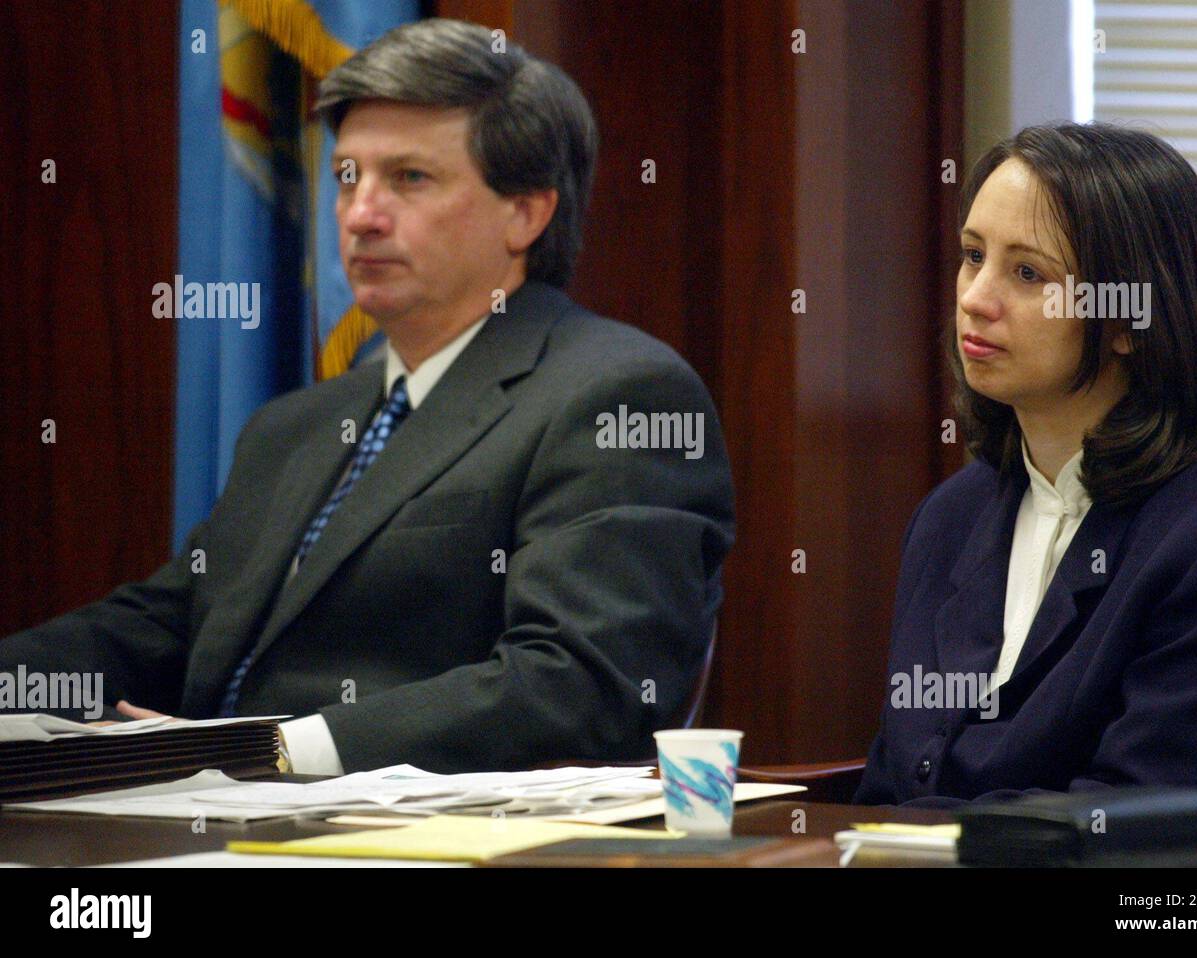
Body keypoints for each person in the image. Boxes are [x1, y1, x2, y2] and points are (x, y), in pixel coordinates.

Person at [0, 18, 735, 774]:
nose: (359, 215)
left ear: (526, 212)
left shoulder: (620, 395)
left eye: (409, 178)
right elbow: (170, 622)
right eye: (348, 177)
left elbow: (581, 688)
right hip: (200, 810)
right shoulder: (296, 423)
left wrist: (276, 749)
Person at [855, 123, 1197, 806]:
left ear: (1129, 318)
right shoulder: (951, 516)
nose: (976, 298)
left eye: (1028, 273)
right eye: (974, 256)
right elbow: (892, 786)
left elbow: (1143, 820)